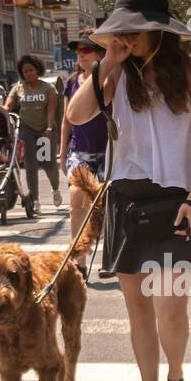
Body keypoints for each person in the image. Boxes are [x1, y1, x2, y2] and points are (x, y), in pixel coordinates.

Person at [66, 0, 191, 381]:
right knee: (137, 311)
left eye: (135, 29)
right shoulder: (116, 73)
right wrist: (108, 61)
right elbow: (76, 116)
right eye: (121, 29)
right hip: (126, 201)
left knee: (171, 310)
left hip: (175, 202)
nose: (128, 37)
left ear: (157, 30)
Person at [60, 33, 109, 276]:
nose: (80, 55)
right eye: (78, 51)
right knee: (76, 202)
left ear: (100, 54)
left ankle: (110, 257)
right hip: (79, 152)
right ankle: (78, 261)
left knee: (109, 207)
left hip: (109, 152)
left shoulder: (109, 79)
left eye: (86, 50)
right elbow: (66, 121)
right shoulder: (71, 82)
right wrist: (61, 152)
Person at [4, 55, 60, 214]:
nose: (28, 73)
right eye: (25, 71)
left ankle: (55, 189)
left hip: (44, 131)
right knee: (30, 166)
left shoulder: (49, 88)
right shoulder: (18, 88)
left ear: (37, 70)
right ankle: (35, 200)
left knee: (47, 164)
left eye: (31, 70)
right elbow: (8, 105)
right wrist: (2, 112)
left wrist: (49, 128)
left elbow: (51, 111)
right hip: (26, 130)